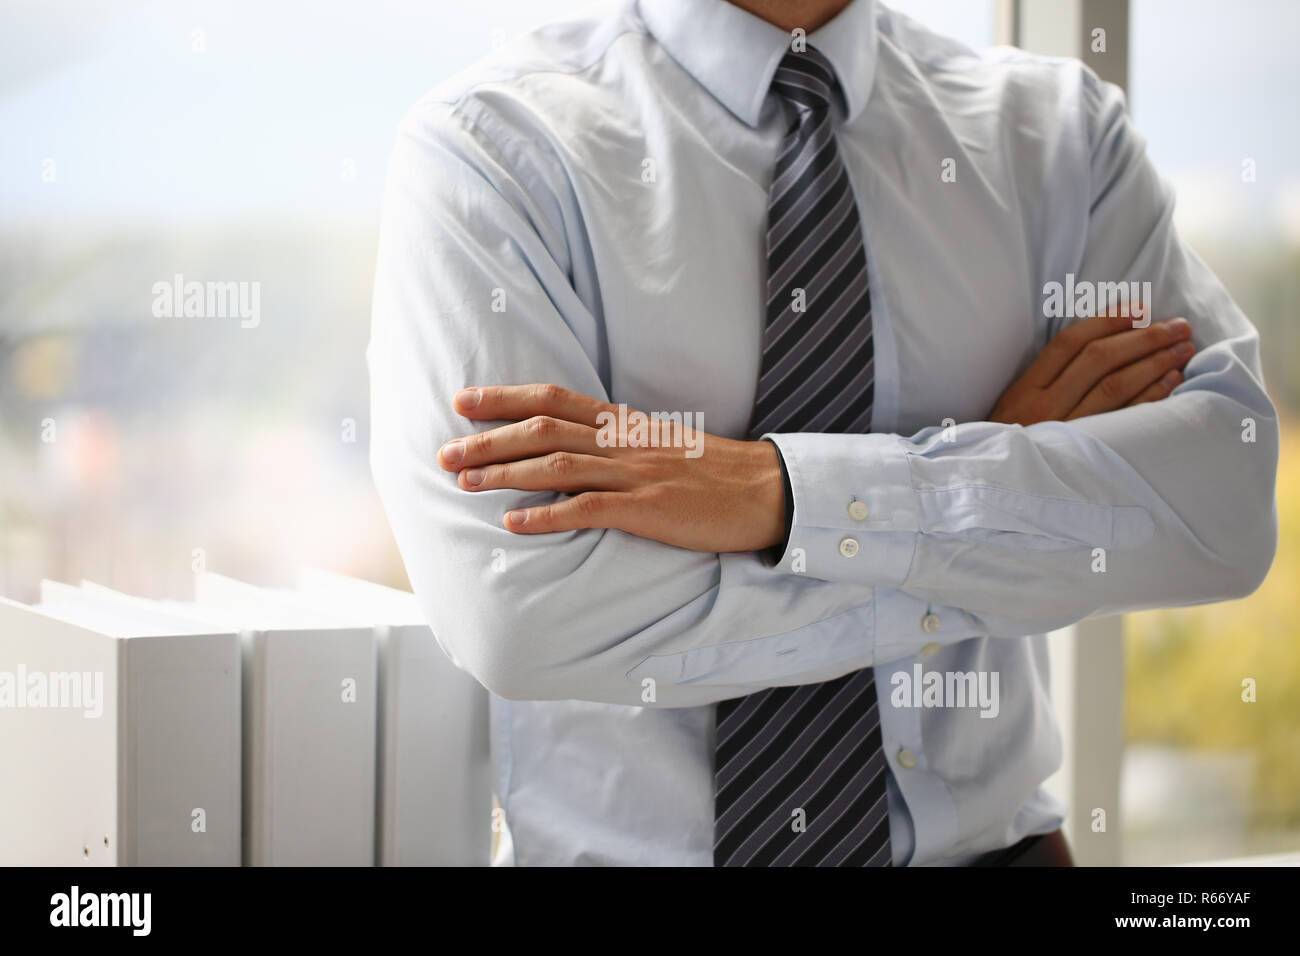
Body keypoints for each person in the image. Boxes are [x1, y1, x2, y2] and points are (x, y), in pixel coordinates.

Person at [367, 0, 1278, 866]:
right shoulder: (491, 149)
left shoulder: (1060, 137)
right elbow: (525, 617)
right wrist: (989, 497)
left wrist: (773, 492)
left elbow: (1223, 508)